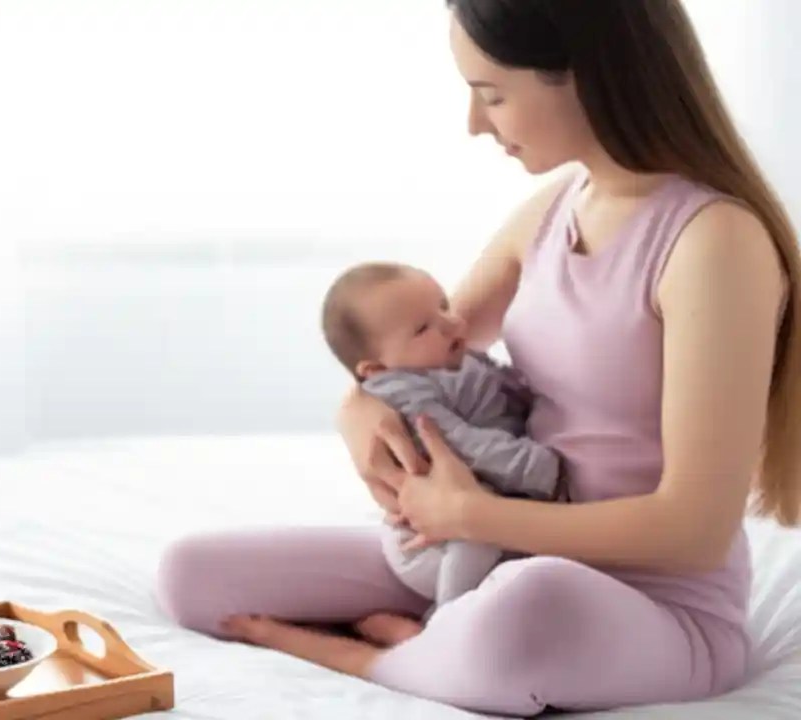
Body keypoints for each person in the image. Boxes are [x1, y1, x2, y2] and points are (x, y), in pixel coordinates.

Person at [154, 0, 801, 715]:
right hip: (489, 552)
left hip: (647, 604)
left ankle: (368, 654)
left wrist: (470, 515)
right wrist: (357, 409)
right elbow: (422, 350)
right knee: (194, 577)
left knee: (528, 606)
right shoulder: (556, 208)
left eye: (491, 93)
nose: (473, 122)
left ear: (587, 75)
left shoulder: (714, 242)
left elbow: (695, 533)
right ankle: (442, 639)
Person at [320, 261, 563, 625]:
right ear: (375, 369)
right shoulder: (402, 393)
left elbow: (507, 391)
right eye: (422, 328)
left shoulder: (451, 362)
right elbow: (457, 443)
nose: (451, 322)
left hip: (480, 512)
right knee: (477, 540)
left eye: (444, 305)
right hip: (430, 544)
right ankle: (444, 622)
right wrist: (533, 467)